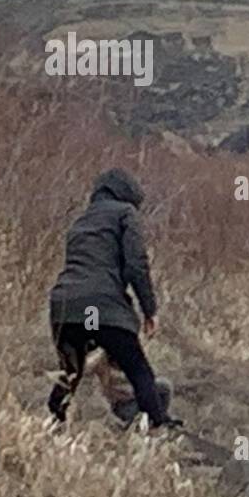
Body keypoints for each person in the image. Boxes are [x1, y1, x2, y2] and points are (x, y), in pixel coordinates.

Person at [46, 168, 181, 430]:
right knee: (137, 367)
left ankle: (53, 422)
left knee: (70, 373)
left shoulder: (80, 222)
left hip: (66, 307)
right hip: (102, 305)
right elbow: (136, 265)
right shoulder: (124, 213)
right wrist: (149, 310)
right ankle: (158, 424)